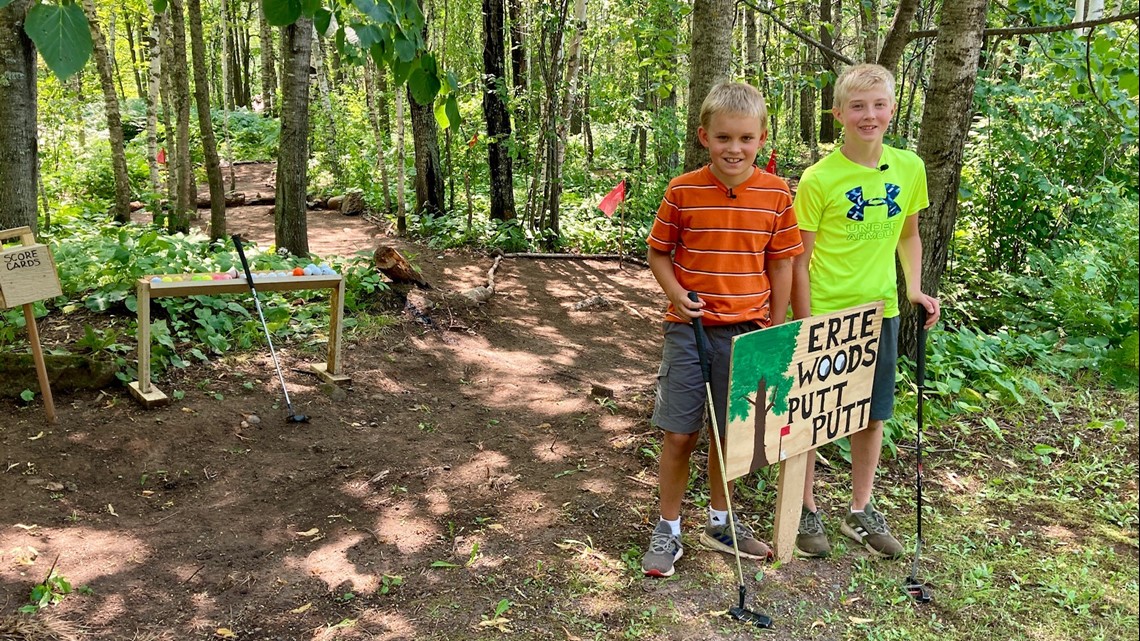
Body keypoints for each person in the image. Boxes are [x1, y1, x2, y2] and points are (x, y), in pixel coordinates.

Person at [640, 81, 804, 577]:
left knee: (731, 435)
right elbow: (658, 252)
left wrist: (775, 328)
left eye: (746, 139)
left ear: (762, 139)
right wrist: (677, 296)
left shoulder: (777, 194)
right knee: (678, 434)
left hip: (748, 331)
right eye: (724, 138)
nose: (735, 149)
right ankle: (668, 529)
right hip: (688, 330)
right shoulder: (683, 189)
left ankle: (720, 522)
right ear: (704, 137)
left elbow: (783, 264)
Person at [790, 63, 940, 559]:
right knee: (813, 418)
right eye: (857, 106)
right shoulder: (817, 179)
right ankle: (805, 508)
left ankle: (860, 510)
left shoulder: (909, 167)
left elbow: (909, 234)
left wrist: (915, 290)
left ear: (892, 111)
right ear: (839, 114)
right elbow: (800, 259)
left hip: (881, 313)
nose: (868, 115)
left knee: (870, 417)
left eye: (878, 105)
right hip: (826, 315)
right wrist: (805, 318)